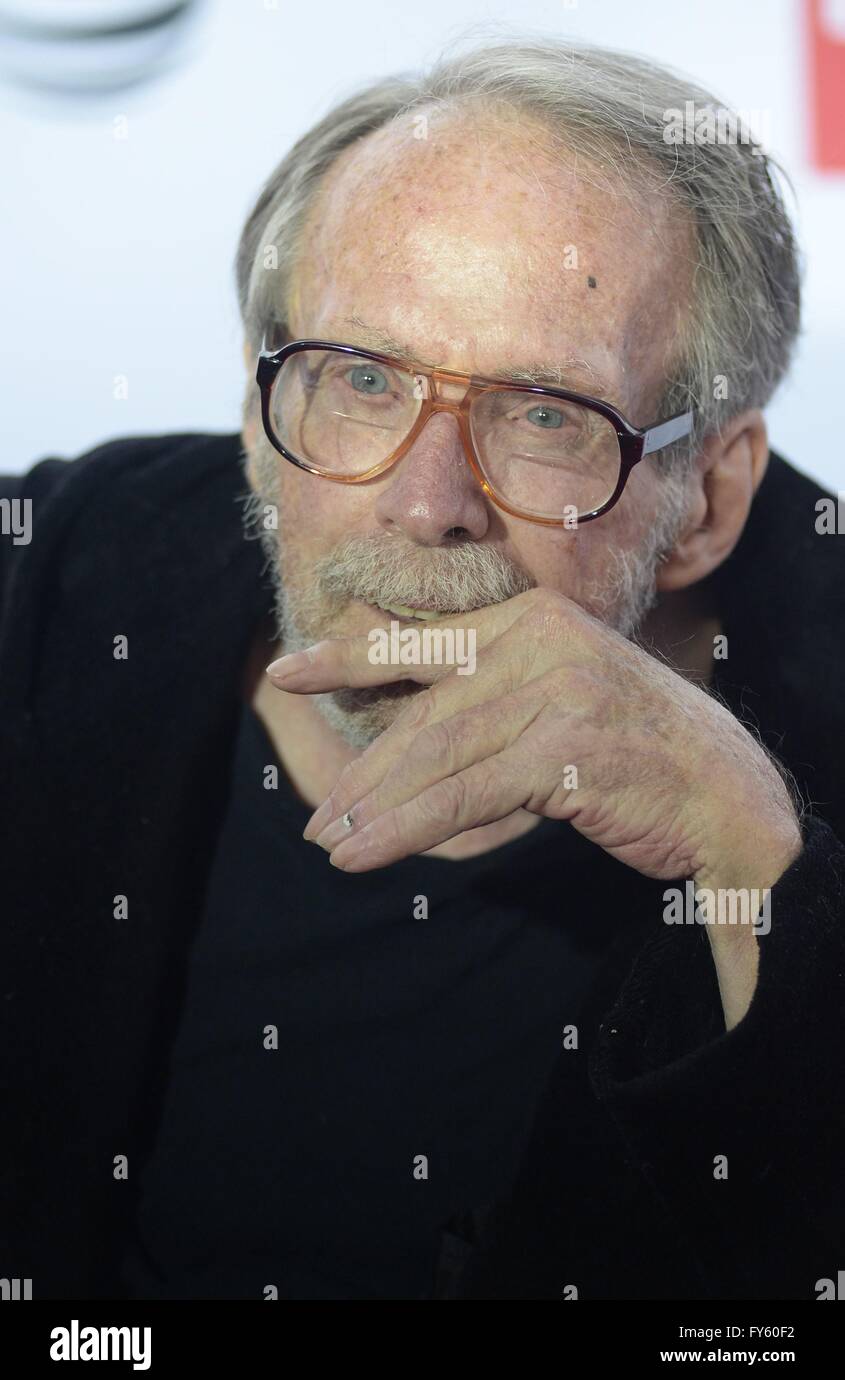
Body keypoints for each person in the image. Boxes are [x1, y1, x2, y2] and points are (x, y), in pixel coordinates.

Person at [2, 39, 844, 1302]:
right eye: (362, 378)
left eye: (542, 413)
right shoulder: (63, 585)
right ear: (254, 410)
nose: (424, 501)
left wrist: (749, 856)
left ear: (708, 497)